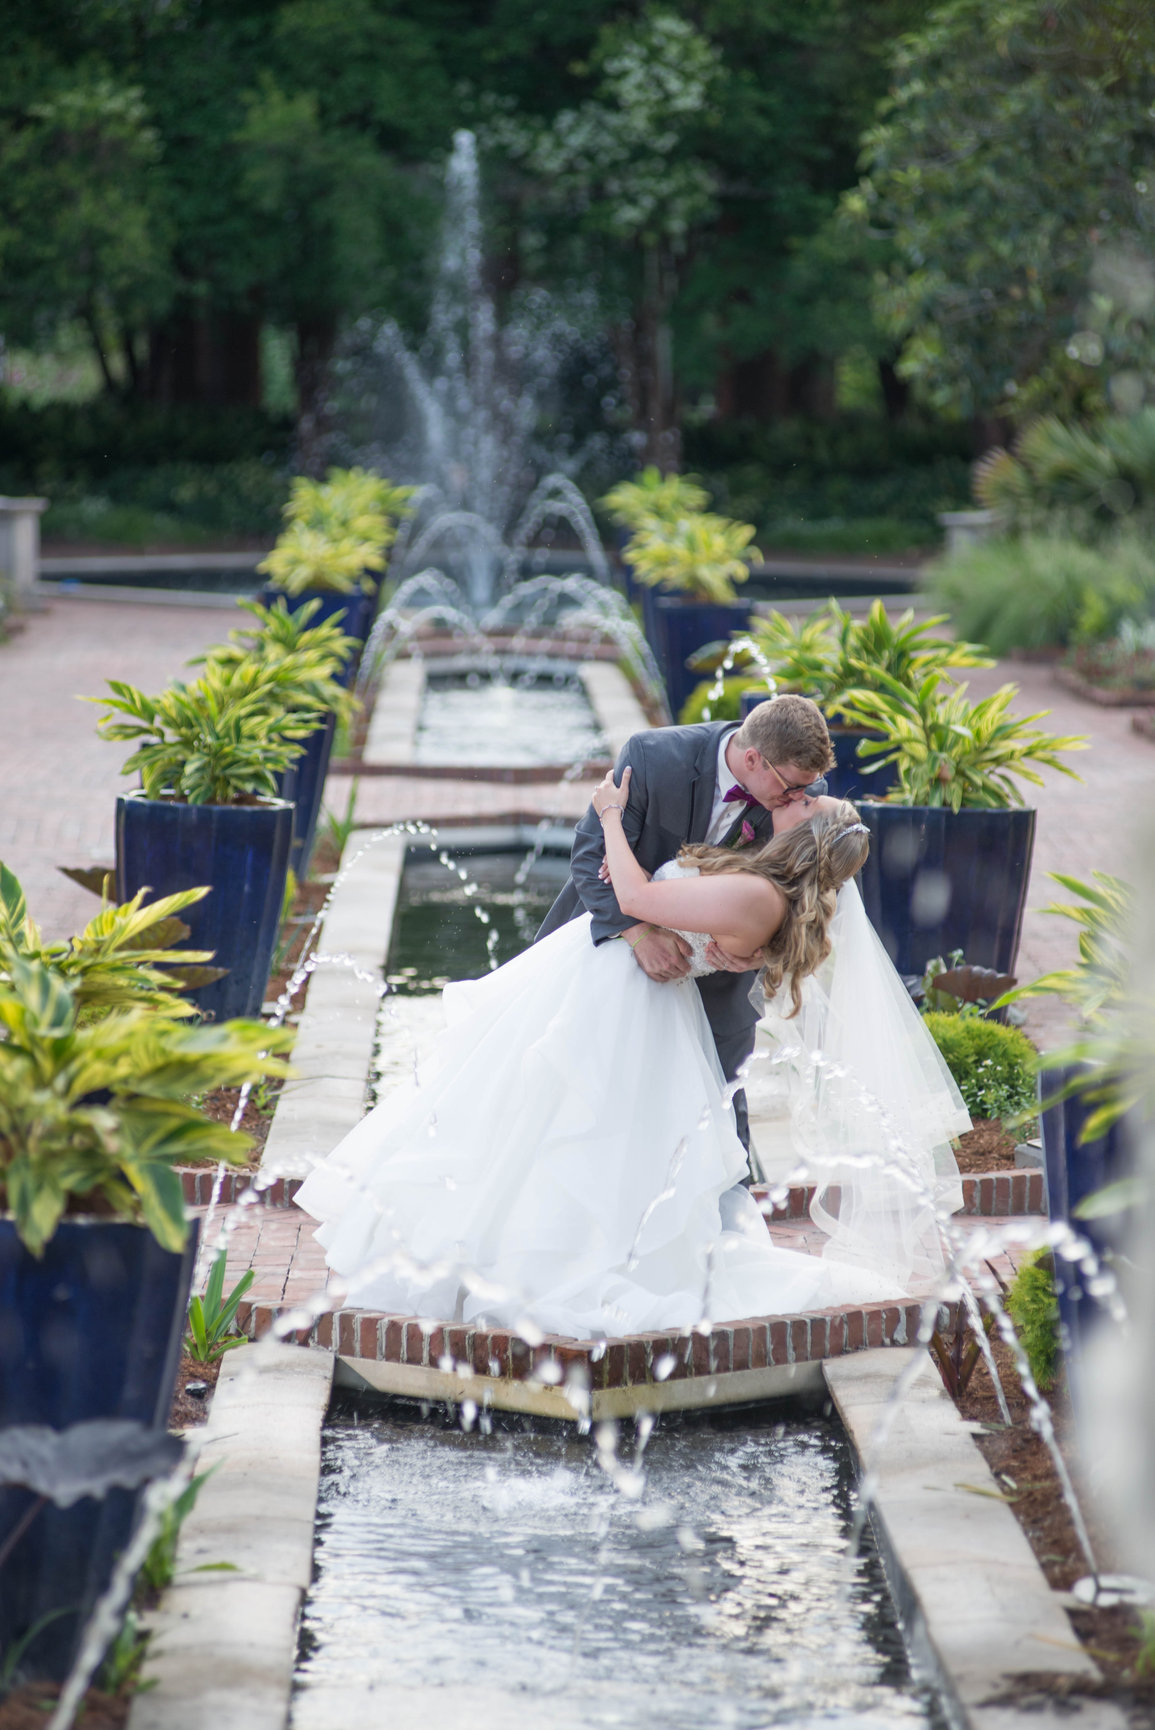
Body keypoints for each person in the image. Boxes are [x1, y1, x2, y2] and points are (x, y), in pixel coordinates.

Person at [295, 775, 908, 1341]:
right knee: (532, 1125)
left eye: (807, 804)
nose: (801, 795)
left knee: (561, 1128)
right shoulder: (759, 884)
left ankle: (537, 1264)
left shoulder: (756, 895)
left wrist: (610, 815)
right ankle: (502, 1250)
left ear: (807, 836)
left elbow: (637, 895)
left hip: (616, 1000)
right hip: (608, 986)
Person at [535, 694, 834, 1154]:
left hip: (718, 986)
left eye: (808, 789)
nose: (800, 798)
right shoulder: (653, 757)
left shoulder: (792, 806)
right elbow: (590, 857)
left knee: (719, 1129)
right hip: (609, 966)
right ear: (754, 758)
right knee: (579, 1106)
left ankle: (729, 1217)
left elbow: (807, 894)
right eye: (793, 787)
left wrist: (761, 950)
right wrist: (637, 934)